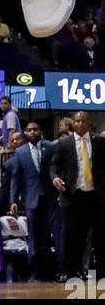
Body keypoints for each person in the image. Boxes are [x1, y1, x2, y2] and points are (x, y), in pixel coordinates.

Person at [50, 112, 105, 280]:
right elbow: (54, 166)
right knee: (73, 236)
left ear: (88, 123)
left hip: (95, 195)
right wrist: (55, 178)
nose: (79, 124)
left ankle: (101, 274)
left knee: (100, 235)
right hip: (74, 196)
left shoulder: (100, 142)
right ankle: (70, 271)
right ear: (73, 123)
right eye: (77, 121)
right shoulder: (64, 143)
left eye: (83, 121)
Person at [9, 121, 59, 281]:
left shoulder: (50, 147)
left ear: (40, 131)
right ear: (25, 133)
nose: (32, 132)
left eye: (35, 129)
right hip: (31, 199)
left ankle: (54, 270)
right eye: (29, 130)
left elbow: (57, 169)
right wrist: (13, 200)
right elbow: (15, 178)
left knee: (54, 235)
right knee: (34, 237)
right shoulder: (20, 152)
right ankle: (34, 272)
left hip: (51, 198)